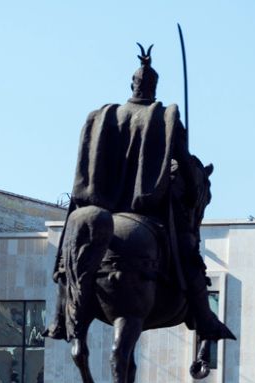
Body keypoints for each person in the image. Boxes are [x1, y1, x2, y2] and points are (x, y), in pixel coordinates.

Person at [47, 43, 233, 345]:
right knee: (188, 252)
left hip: (100, 200)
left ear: (131, 85)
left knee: (71, 246)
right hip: (145, 207)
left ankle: (58, 317)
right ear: (153, 86)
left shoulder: (104, 116)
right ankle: (204, 317)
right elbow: (184, 162)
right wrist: (191, 185)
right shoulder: (165, 118)